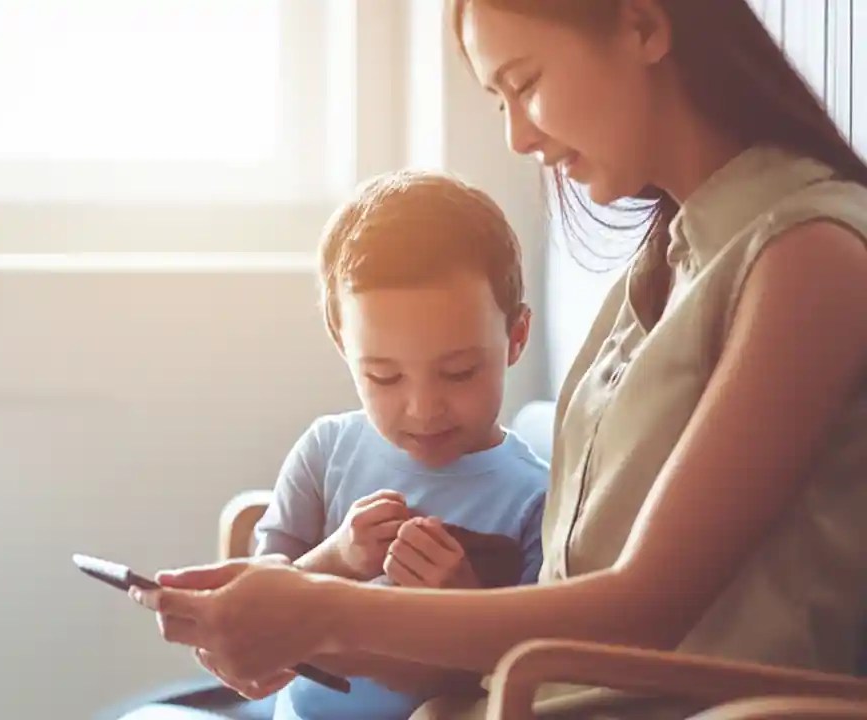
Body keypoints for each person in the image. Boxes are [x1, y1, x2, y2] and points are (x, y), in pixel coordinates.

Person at [131, 1, 867, 717]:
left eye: (526, 83)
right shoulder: (671, 261)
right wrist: (297, 620)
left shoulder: (809, 254)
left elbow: (646, 608)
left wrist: (325, 611)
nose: (517, 136)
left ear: (642, 24)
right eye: (499, 99)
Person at [251, 170, 548, 720]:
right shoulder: (326, 454)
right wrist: (337, 558)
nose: (423, 409)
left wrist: (464, 610)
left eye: (458, 372)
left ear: (516, 338)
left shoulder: (534, 501)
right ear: (343, 343)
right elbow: (259, 606)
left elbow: (530, 681)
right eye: (385, 377)